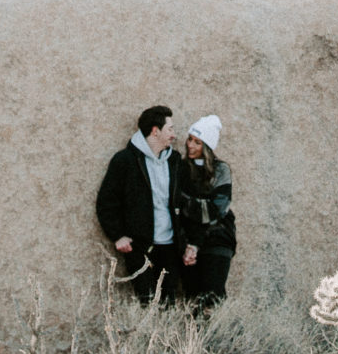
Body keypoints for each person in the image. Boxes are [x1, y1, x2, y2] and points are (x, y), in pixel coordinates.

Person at [94, 104, 185, 303]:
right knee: (147, 302)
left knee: (169, 303)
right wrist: (117, 235)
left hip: (170, 247)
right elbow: (106, 202)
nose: (174, 135)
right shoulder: (125, 160)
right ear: (155, 131)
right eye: (170, 129)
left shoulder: (175, 161)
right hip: (140, 248)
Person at [174, 114, 235, 308]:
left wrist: (185, 202)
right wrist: (191, 244)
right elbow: (182, 211)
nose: (190, 145)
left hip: (218, 239)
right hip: (187, 240)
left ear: (207, 147)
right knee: (192, 299)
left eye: (197, 142)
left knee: (212, 298)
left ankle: (219, 338)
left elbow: (216, 210)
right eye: (190, 139)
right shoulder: (182, 169)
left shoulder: (221, 170)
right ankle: (195, 339)